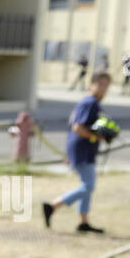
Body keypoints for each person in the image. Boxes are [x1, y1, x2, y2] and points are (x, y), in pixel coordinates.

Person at [42, 71, 111, 234]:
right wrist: (97, 136)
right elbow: (78, 128)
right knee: (88, 186)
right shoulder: (90, 103)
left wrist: (103, 132)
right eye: (100, 84)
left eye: (107, 85)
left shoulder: (92, 103)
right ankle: (52, 206)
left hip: (85, 150)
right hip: (81, 150)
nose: (103, 89)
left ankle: (83, 223)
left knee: (87, 186)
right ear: (91, 84)